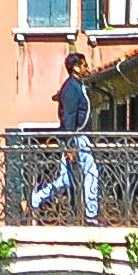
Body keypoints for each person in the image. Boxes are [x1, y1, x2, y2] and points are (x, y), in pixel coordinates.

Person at [30, 46, 101, 221]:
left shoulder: (76, 86)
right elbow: (68, 117)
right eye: (84, 65)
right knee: (92, 173)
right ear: (76, 68)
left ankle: (36, 199)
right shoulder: (71, 89)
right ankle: (91, 215)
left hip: (76, 137)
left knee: (66, 180)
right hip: (76, 138)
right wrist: (70, 145)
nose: (86, 68)